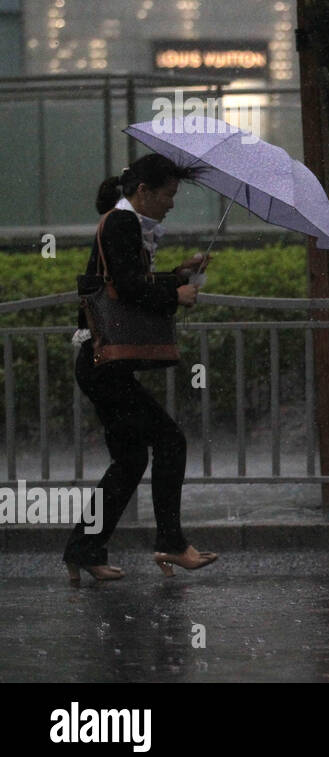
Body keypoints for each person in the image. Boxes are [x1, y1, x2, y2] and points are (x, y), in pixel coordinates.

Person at [63, 154, 219, 584]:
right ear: (144, 191)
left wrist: (177, 275)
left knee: (131, 459)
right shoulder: (122, 223)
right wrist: (176, 293)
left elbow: (127, 281)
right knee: (170, 440)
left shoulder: (125, 223)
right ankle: (170, 542)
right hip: (103, 363)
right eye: (168, 194)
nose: (171, 203)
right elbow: (129, 288)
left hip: (101, 363)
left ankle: (84, 548)